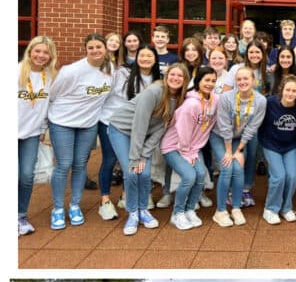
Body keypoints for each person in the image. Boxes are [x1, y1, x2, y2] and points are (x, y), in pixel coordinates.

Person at [107, 63, 187, 235]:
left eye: (180, 76)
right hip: (121, 129)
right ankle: (132, 213)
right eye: (172, 74)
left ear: (185, 80)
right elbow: (139, 125)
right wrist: (136, 158)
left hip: (144, 137)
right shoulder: (154, 92)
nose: (175, 78)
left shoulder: (179, 100)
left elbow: (161, 128)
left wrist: (144, 154)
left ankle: (143, 210)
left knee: (144, 173)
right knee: (131, 172)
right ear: (167, 76)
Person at [46, 33, 113, 230]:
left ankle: (75, 205)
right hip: (62, 122)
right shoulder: (71, 71)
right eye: (91, 47)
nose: (95, 51)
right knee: (64, 164)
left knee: (80, 164)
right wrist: (44, 125)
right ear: (86, 49)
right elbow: (53, 95)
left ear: (105, 49)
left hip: (88, 124)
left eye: (98, 47)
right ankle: (57, 208)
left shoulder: (110, 71)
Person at [161, 65, 218, 230]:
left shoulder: (214, 100)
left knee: (201, 174)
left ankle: (190, 209)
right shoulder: (191, 104)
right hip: (174, 146)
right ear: (198, 81)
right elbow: (183, 132)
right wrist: (188, 155)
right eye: (206, 80)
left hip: (192, 148)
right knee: (189, 176)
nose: (210, 83)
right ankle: (177, 213)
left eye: (213, 80)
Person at [210, 67, 265, 227]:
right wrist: (229, 152)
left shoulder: (260, 100)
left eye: (246, 79)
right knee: (227, 168)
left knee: (239, 168)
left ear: (253, 80)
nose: (242, 82)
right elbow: (224, 126)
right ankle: (220, 211)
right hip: (220, 136)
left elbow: (252, 128)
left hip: (239, 139)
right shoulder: (226, 97)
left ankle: (235, 208)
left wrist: (239, 150)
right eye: (239, 79)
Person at [18, 35, 58, 236]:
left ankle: (21, 215)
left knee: (26, 175)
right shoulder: (16, 72)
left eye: (45, 52)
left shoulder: (50, 77)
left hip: (32, 134)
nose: (41, 55)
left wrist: (43, 130)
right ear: (30, 51)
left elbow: (46, 107)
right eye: (37, 51)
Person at [259, 74, 296, 225]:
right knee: (279, 176)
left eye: (294, 91)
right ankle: (270, 209)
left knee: (291, 176)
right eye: (288, 90)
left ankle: (286, 207)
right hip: (271, 144)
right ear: (282, 90)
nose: (290, 94)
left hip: (290, 146)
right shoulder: (270, 103)